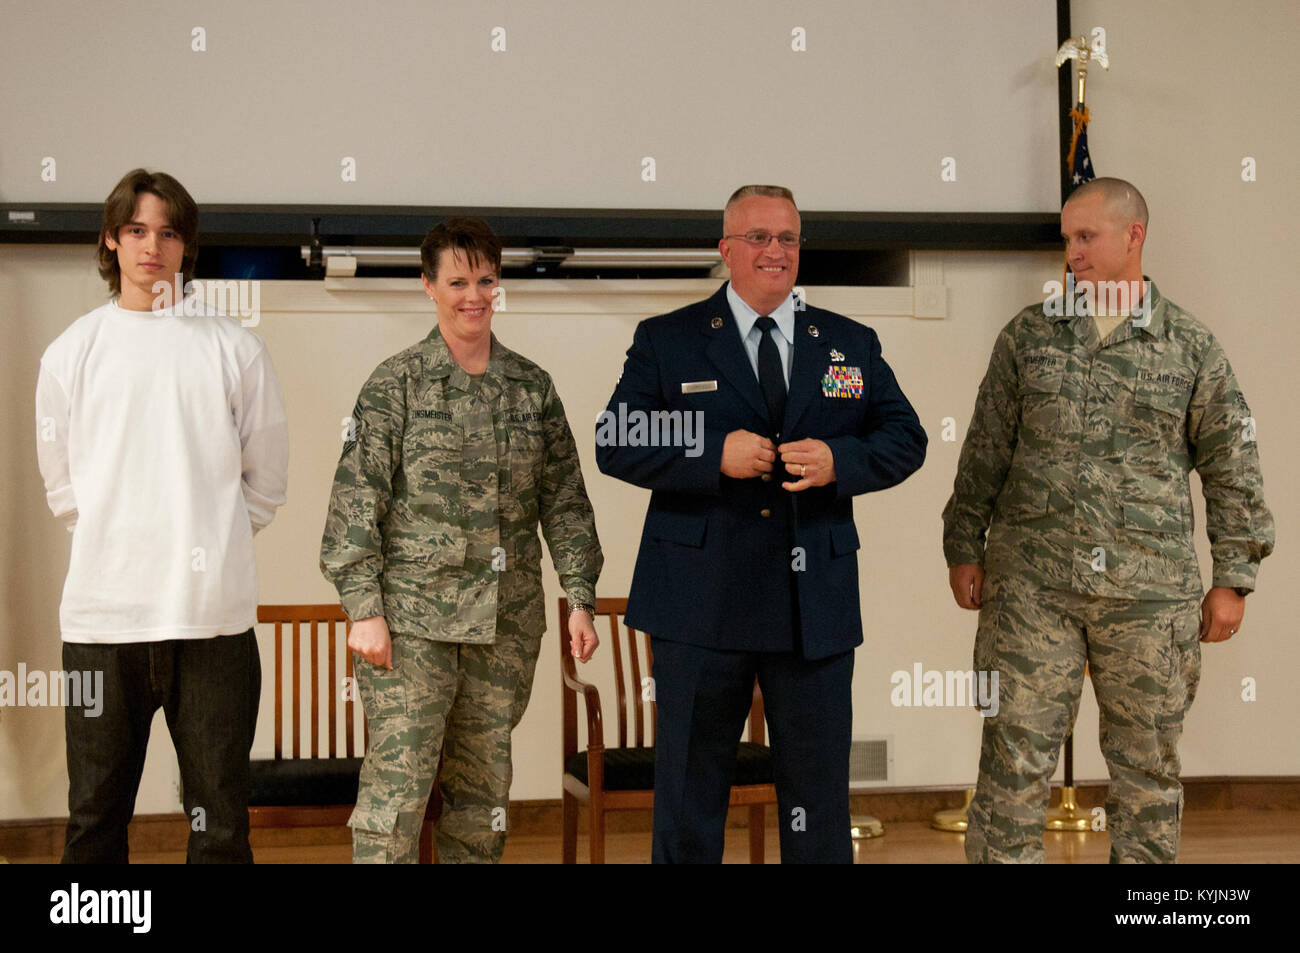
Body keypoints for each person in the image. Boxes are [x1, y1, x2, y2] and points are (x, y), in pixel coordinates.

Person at [943, 177, 1274, 863]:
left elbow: (1232, 462)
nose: (1073, 251)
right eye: (1067, 238)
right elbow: (984, 449)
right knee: (1011, 763)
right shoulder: (1029, 336)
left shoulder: (1190, 346)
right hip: (1031, 591)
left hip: (1147, 596)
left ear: (1134, 236)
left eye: (1086, 236)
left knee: (1146, 773)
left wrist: (1234, 577)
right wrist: (962, 543)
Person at [597, 185, 927, 863]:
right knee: (690, 799)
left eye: (788, 239)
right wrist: (711, 452)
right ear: (726, 250)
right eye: (758, 237)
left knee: (818, 804)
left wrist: (841, 458)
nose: (774, 251)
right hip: (699, 603)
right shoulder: (670, 338)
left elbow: (907, 436)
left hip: (814, 607)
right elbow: (617, 435)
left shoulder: (846, 342)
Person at [320, 217, 603, 864]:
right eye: (457, 281)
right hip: (411, 624)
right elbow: (355, 502)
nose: (473, 295)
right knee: (397, 797)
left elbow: (564, 501)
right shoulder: (396, 384)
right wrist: (363, 608)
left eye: (485, 280)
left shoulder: (531, 388)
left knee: (483, 801)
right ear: (428, 286)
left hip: (504, 626)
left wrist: (580, 596)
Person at [35, 168, 289, 863]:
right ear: (111, 240)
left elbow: (264, 484)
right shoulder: (69, 354)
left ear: (186, 246)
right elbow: (66, 494)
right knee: (93, 820)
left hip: (212, 623)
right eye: (139, 230)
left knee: (220, 826)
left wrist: (205, 540)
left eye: (170, 232)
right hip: (101, 625)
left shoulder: (234, 349)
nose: (154, 246)